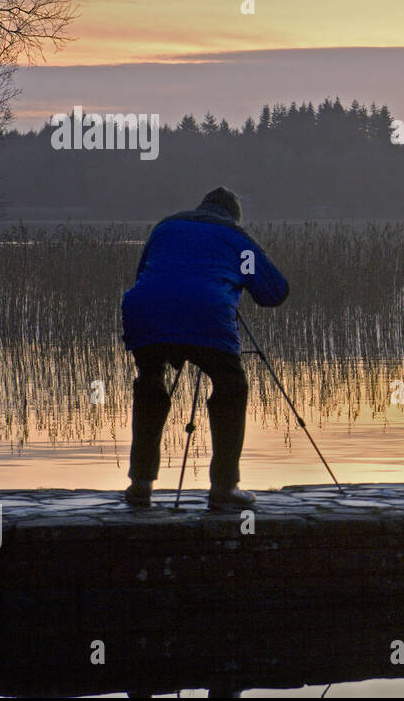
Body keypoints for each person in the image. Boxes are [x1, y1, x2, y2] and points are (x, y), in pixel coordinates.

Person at [120, 187, 288, 508]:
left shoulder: (166, 227)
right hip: (207, 311)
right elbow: (272, 293)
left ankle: (140, 484)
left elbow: (144, 273)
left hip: (145, 308)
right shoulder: (239, 240)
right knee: (231, 385)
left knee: (150, 383)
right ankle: (224, 488)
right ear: (234, 216)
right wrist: (236, 275)